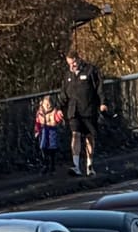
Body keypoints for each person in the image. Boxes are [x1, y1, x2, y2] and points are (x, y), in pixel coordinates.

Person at [56, 48, 108, 176]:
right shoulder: (68, 76)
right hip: (74, 111)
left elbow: (99, 88)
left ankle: (89, 165)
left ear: (78, 59)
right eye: (69, 64)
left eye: (73, 63)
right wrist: (58, 108)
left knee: (89, 137)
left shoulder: (91, 71)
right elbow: (64, 93)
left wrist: (103, 103)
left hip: (89, 110)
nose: (71, 66)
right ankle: (76, 165)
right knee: (75, 134)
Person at [33, 94, 64, 173]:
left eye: (49, 104)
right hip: (43, 131)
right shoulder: (40, 112)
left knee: (52, 148)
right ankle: (45, 163)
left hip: (52, 130)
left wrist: (59, 117)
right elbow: (37, 122)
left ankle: (52, 165)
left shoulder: (54, 111)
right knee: (43, 147)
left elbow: (58, 120)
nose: (47, 106)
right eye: (46, 104)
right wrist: (37, 131)